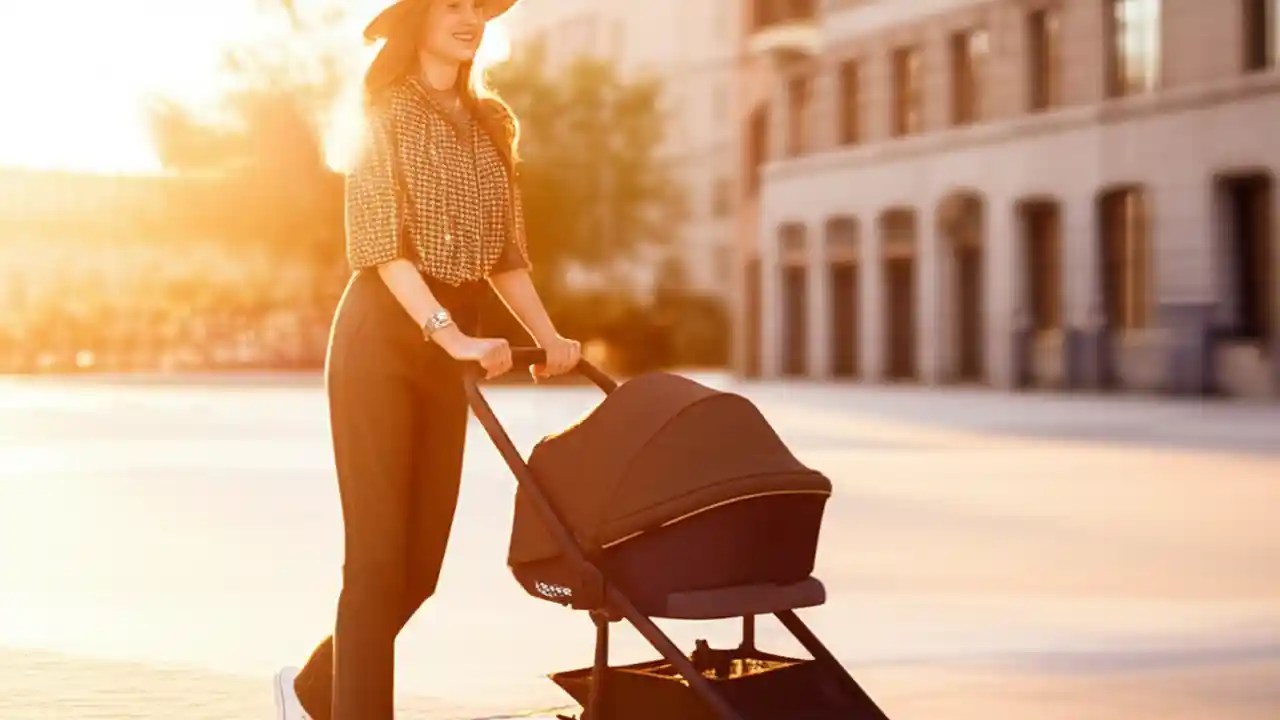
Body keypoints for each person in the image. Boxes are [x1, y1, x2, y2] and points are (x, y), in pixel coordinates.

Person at [273, 0, 581, 718]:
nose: (470, 17)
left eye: (479, 7)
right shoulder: (381, 111)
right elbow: (379, 245)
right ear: (416, 21)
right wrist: (453, 335)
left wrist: (552, 336)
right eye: (453, 4)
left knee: (418, 571)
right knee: (377, 564)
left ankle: (312, 693)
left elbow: (507, 255)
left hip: (453, 342)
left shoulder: (493, 124)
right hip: (382, 334)